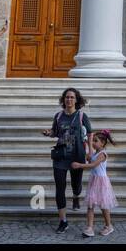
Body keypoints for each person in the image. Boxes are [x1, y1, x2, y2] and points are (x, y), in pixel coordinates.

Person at [42, 87, 92, 233]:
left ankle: (76, 196)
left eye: (72, 97)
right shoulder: (58, 116)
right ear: (64, 100)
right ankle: (63, 221)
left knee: (76, 185)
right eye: (67, 97)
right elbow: (55, 132)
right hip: (61, 156)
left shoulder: (82, 116)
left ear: (76, 100)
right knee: (60, 188)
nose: (69, 100)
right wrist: (48, 133)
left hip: (77, 155)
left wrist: (89, 151)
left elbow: (89, 134)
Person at [71, 129, 118, 238]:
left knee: (103, 205)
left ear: (102, 143)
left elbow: (93, 165)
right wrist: (90, 140)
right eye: (93, 141)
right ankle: (90, 228)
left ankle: (108, 225)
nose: (93, 143)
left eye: (96, 141)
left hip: (101, 182)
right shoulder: (95, 152)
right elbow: (90, 158)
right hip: (94, 180)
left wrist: (79, 165)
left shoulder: (103, 154)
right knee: (90, 205)